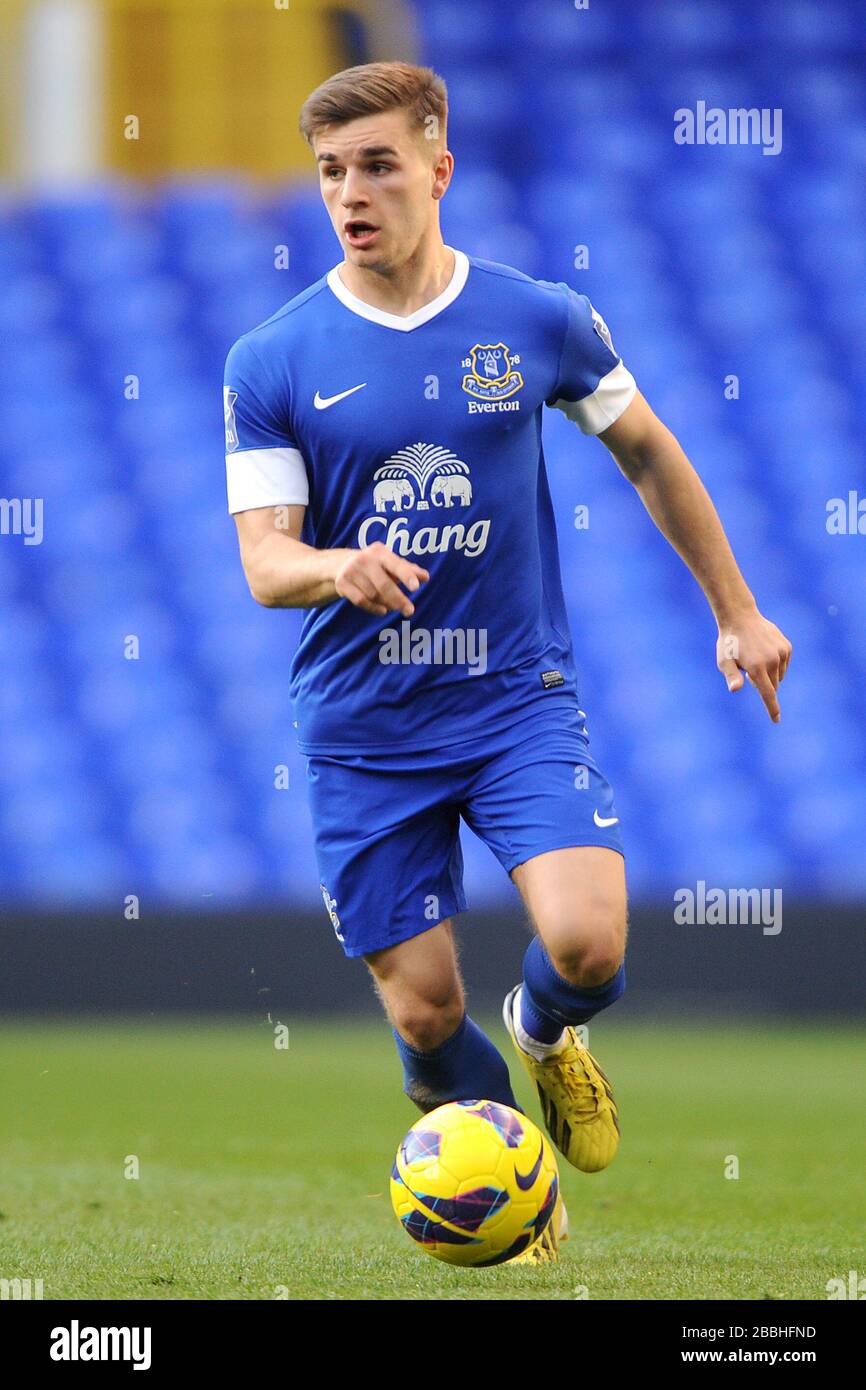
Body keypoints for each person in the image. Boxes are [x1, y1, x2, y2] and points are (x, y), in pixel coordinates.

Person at [224, 61, 792, 1263]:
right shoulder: (270, 360)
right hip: (362, 726)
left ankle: (542, 1030)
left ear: (439, 168)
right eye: (330, 172)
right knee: (424, 1013)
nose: (349, 193)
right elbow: (265, 563)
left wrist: (735, 609)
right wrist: (336, 568)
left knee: (589, 942)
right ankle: (515, 1189)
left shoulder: (537, 317)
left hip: (510, 695)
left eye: (376, 165)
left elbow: (645, 449)